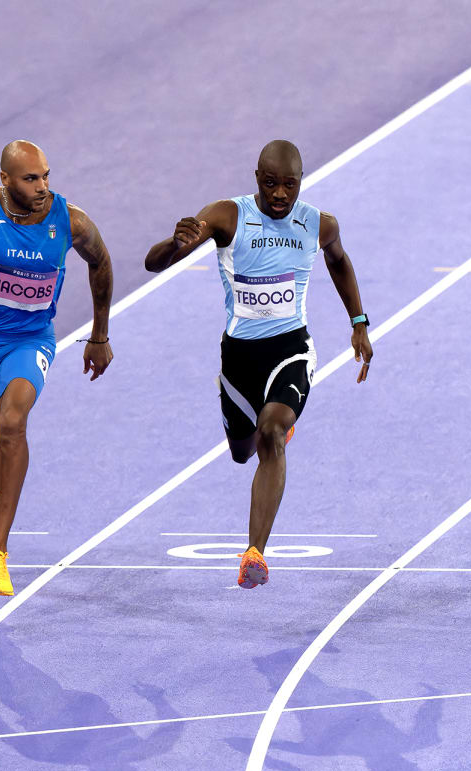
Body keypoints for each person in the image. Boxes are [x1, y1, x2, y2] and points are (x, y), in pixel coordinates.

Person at [144, 140, 373, 589]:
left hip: (291, 350)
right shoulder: (228, 216)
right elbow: (152, 265)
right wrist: (175, 244)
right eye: (271, 184)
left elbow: (340, 262)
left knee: (272, 433)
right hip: (238, 360)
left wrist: (359, 322)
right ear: (256, 179)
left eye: (289, 185)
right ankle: (264, 427)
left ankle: (254, 554)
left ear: (301, 181)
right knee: (241, 452)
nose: (280, 195)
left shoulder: (319, 224)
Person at [0, 140, 114, 596]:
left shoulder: (70, 221)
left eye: (47, 175)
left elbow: (101, 263)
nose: (43, 186)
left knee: (13, 422)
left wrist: (100, 336)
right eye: (32, 179)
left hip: (29, 342)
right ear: (5, 180)